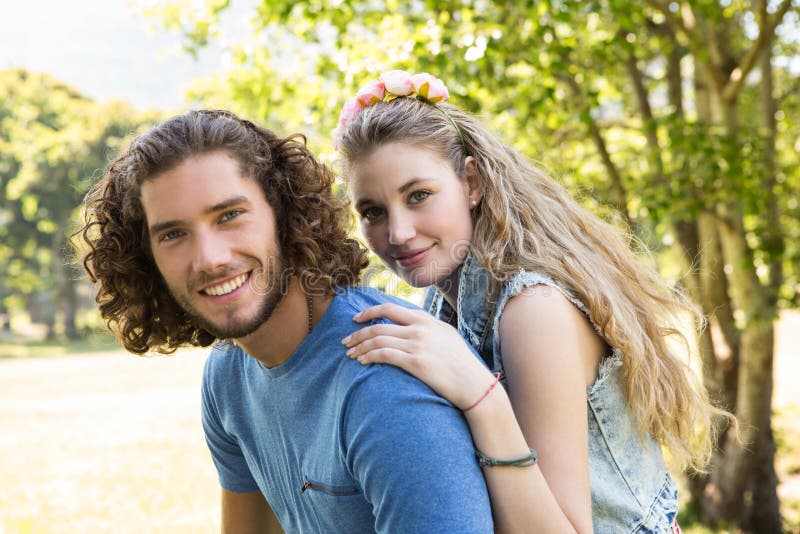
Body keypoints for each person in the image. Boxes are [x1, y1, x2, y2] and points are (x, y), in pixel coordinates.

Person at [336, 71, 731, 533]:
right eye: (372, 212)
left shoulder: (532, 310)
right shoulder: (443, 306)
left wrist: (481, 397)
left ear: (472, 184)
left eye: (419, 195)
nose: (398, 233)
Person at [74, 109, 494, 533]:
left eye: (229, 216)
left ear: (283, 212)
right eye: (173, 234)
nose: (210, 258)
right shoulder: (228, 377)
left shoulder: (385, 386)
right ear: (147, 259)